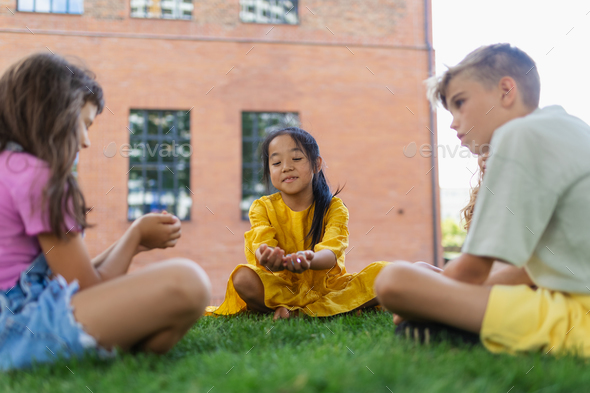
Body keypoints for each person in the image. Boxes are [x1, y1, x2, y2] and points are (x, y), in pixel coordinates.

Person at [375, 43, 590, 356]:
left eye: (460, 103)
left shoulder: (520, 135)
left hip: (575, 319)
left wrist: (423, 302)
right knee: (421, 269)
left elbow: (473, 270)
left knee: (394, 280)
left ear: (506, 90)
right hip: (563, 294)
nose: (453, 121)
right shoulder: (567, 126)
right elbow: (528, 270)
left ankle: (454, 328)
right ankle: (453, 323)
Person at [0, 53, 211, 370]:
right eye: (83, 125)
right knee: (189, 282)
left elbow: (72, 277)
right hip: (19, 328)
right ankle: (111, 347)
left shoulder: (10, 169)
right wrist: (136, 235)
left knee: (161, 314)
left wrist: (133, 241)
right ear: (53, 113)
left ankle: (111, 347)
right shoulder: (40, 178)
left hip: (20, 318)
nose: (85, 142)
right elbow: (89, 289)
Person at [209, 127, 388, 320]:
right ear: (269, 170)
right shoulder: (261, 207)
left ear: (316, 164)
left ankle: (294, 312)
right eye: (276, 162)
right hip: (282, 287)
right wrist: (268, 258)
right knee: (242, 277)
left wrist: (308, 259)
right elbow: (261, 247)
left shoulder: (334, 207)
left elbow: (330, 254)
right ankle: (321, 309)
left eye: (296, 159)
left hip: (329, 287)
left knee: (385, 272)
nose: (286, 167)